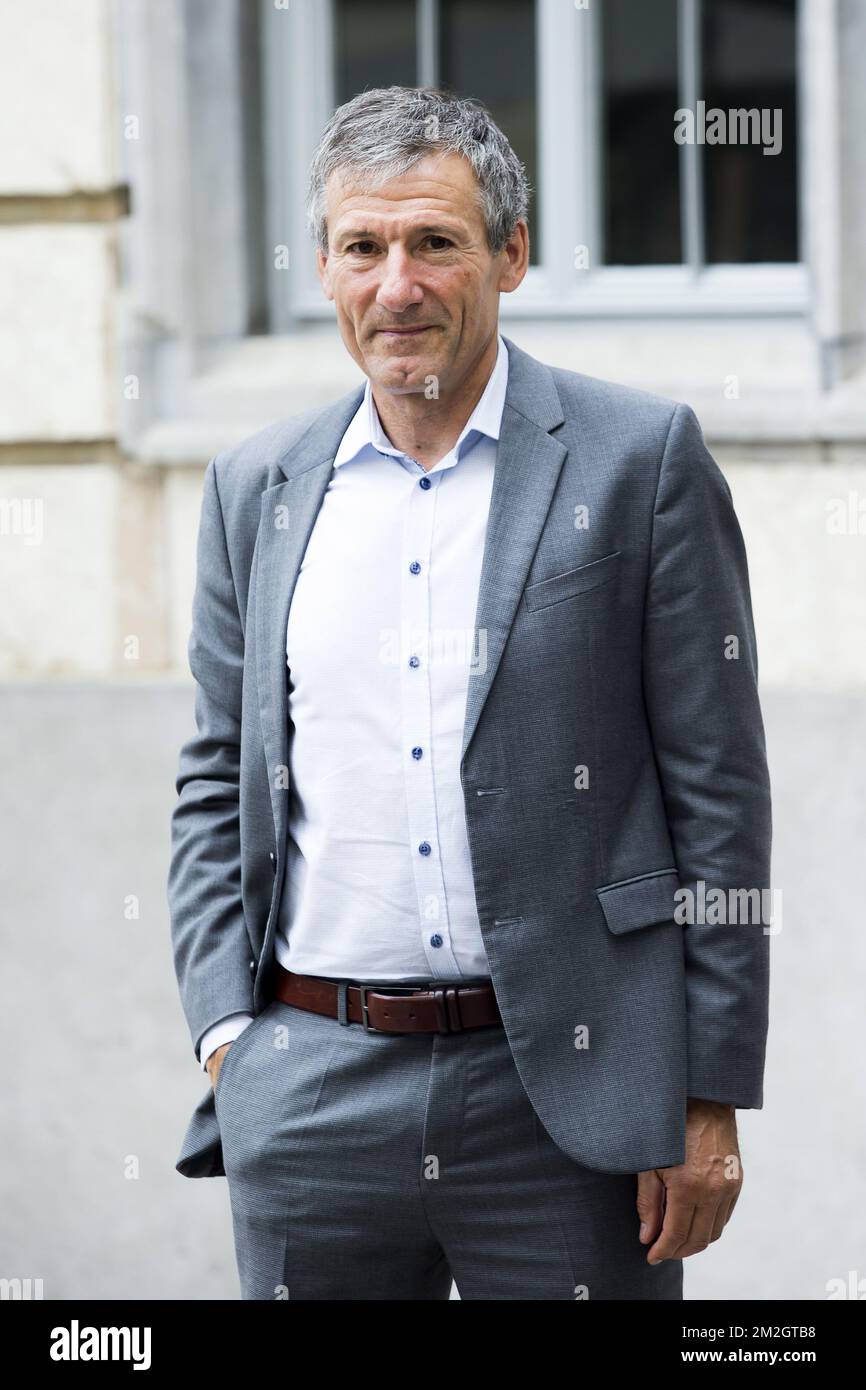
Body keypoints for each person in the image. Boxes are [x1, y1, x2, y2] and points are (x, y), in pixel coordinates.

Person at [167, 85, 772, 1301]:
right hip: (310, 1091)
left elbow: (719, 801)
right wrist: (229, 1036)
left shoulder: (637, 458)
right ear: (327, 268)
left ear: (510, 253)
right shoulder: (255, 488)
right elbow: (211, 774)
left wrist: (704, 1090)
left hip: (567, 1104)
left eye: (435, 243)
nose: (397, 285)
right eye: (363, 247)